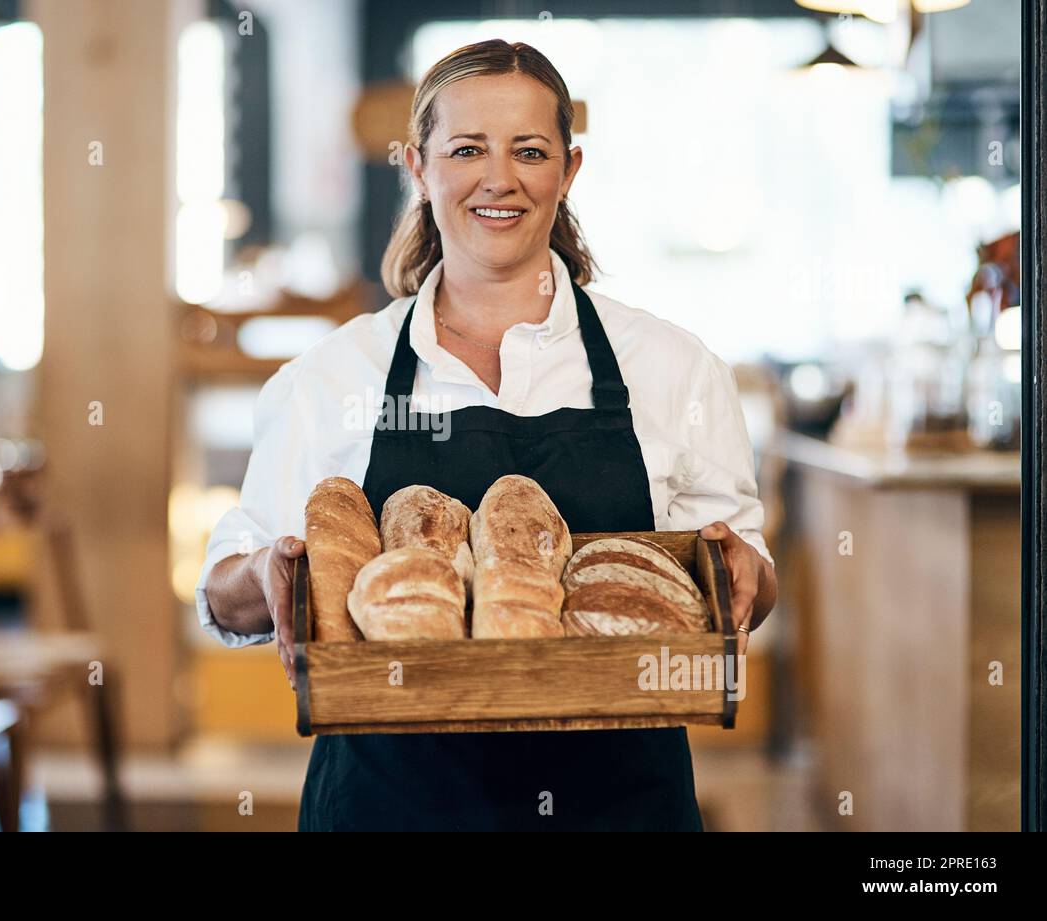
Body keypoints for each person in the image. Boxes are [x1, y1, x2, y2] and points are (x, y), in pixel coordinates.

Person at [196, 38, 778, 831]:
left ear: (568, 171)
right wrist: (267, 570)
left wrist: (743, 573)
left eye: (529, 151)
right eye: (467, 149)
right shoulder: (336, 376)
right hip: (388, 809)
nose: (498, 179)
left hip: (619, 807)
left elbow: (746, 573)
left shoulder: (671, 368)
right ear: (418, 167)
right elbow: (226, 593)